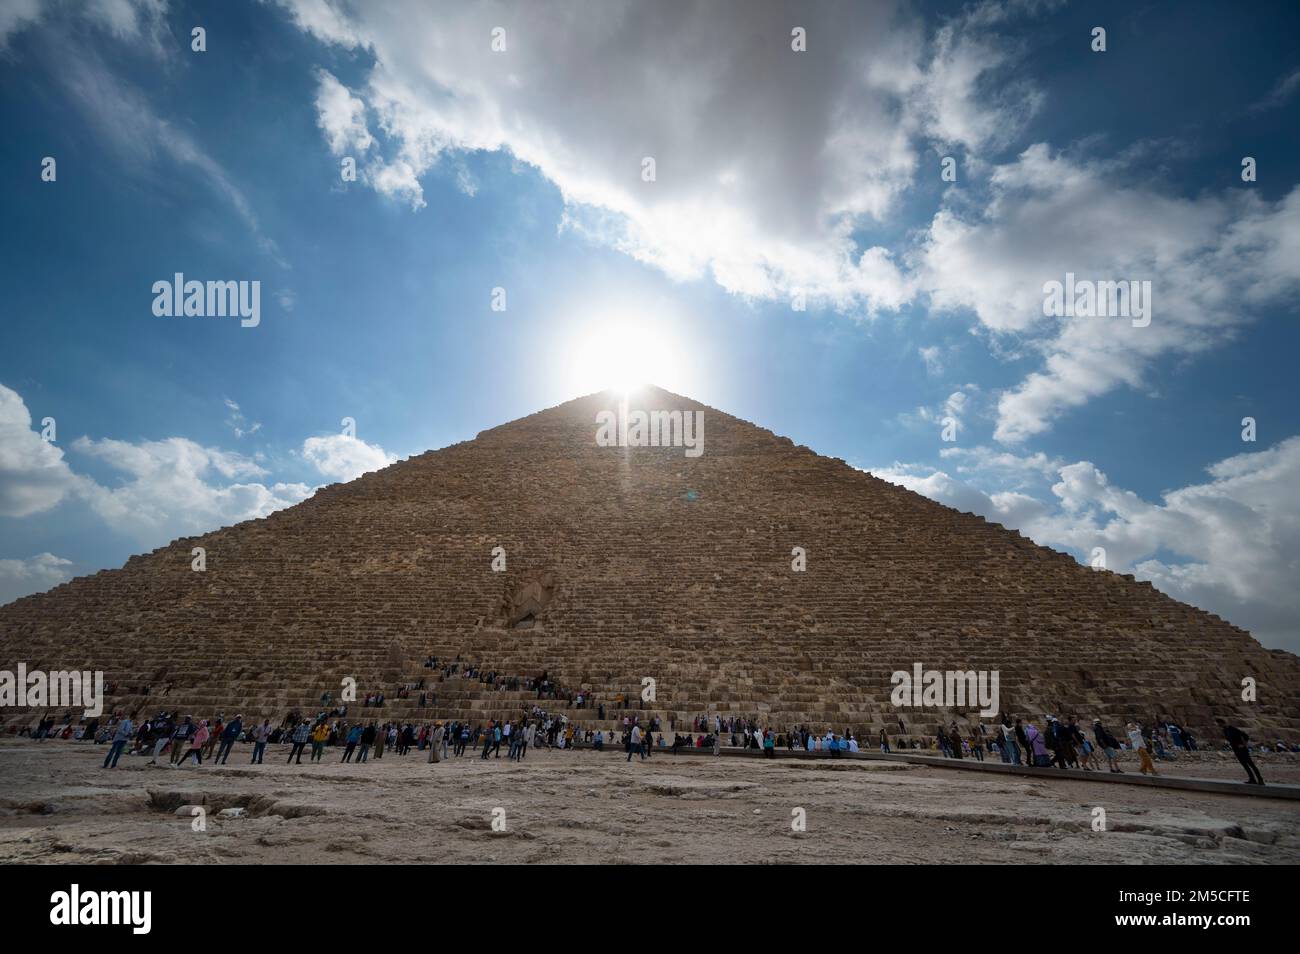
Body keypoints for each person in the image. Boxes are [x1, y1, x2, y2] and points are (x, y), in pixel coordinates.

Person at [1218, 719, 1264, 785]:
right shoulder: (1225, 730)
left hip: (1242, 749)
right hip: (1236, 750)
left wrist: (1243, 744)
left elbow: (1245, 736)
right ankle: (1252, 779)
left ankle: (1260, 779)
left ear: (1222, 723)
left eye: (1219, 724)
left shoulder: (1232, 729)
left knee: (1251, 764)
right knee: (1245, 765)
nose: (1218, 725)